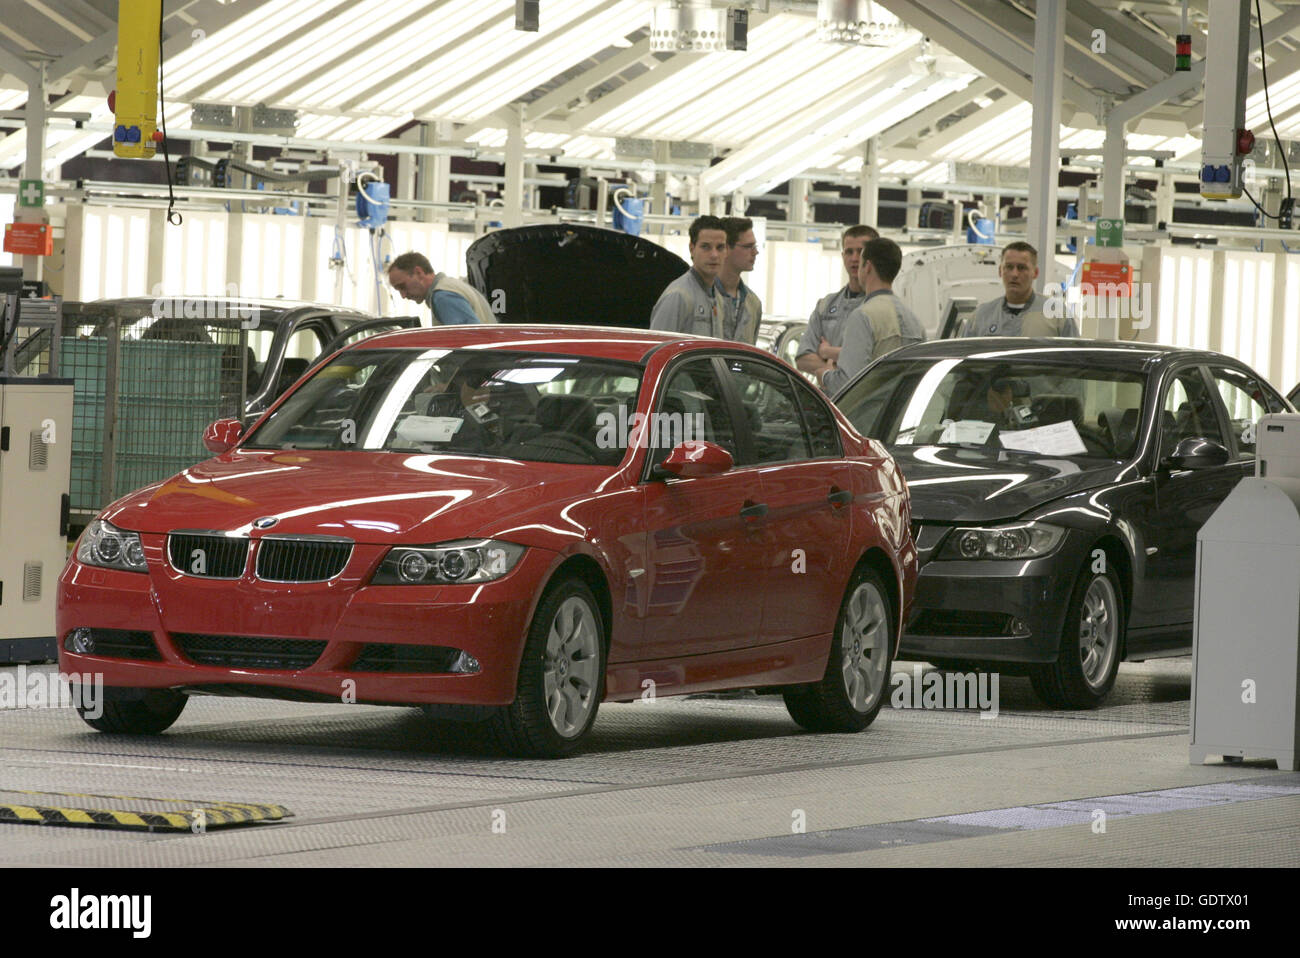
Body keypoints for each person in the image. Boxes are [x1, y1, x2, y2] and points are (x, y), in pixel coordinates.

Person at [819, 237, 925, 394]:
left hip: (865, 415)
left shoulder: (863, 316)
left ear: (867, 267)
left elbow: (847, 384)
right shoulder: (915, 321)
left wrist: (824, 374)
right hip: (899, 414)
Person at [797, 224, 878, 377]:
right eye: (849, 252)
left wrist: (827, 352)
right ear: (842, 256)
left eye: (860, 252)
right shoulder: (825, 305)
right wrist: (833, 374)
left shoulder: (879, 307)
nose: (854, 258)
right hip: (828, 397)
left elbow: (871, 360)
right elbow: (803, 358)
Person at [962, 241, 1078, 337]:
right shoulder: (981, 317)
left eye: (1022, 268)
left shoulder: (1058, 316)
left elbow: (1076, 360)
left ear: (1035, 273)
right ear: (1000, 271)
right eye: (1009, 267)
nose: (1014, 274)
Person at [649, 215, 727, 336]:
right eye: (705, 247)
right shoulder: (678, 296)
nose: (714, 255)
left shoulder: (718, 299)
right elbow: (657, 348)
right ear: (692, 249)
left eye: (720, 247)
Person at [387, 252, 496, 325]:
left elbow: (466, 344)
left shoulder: (443, 296)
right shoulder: (450, 286)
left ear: (419, 273)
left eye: (402, 287)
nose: (403, 295)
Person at [717, 216, 762, 344]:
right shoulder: (701, 295)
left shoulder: (753, 303)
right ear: (726, 248)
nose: (755, 252)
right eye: (748, 246)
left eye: (755, 246)